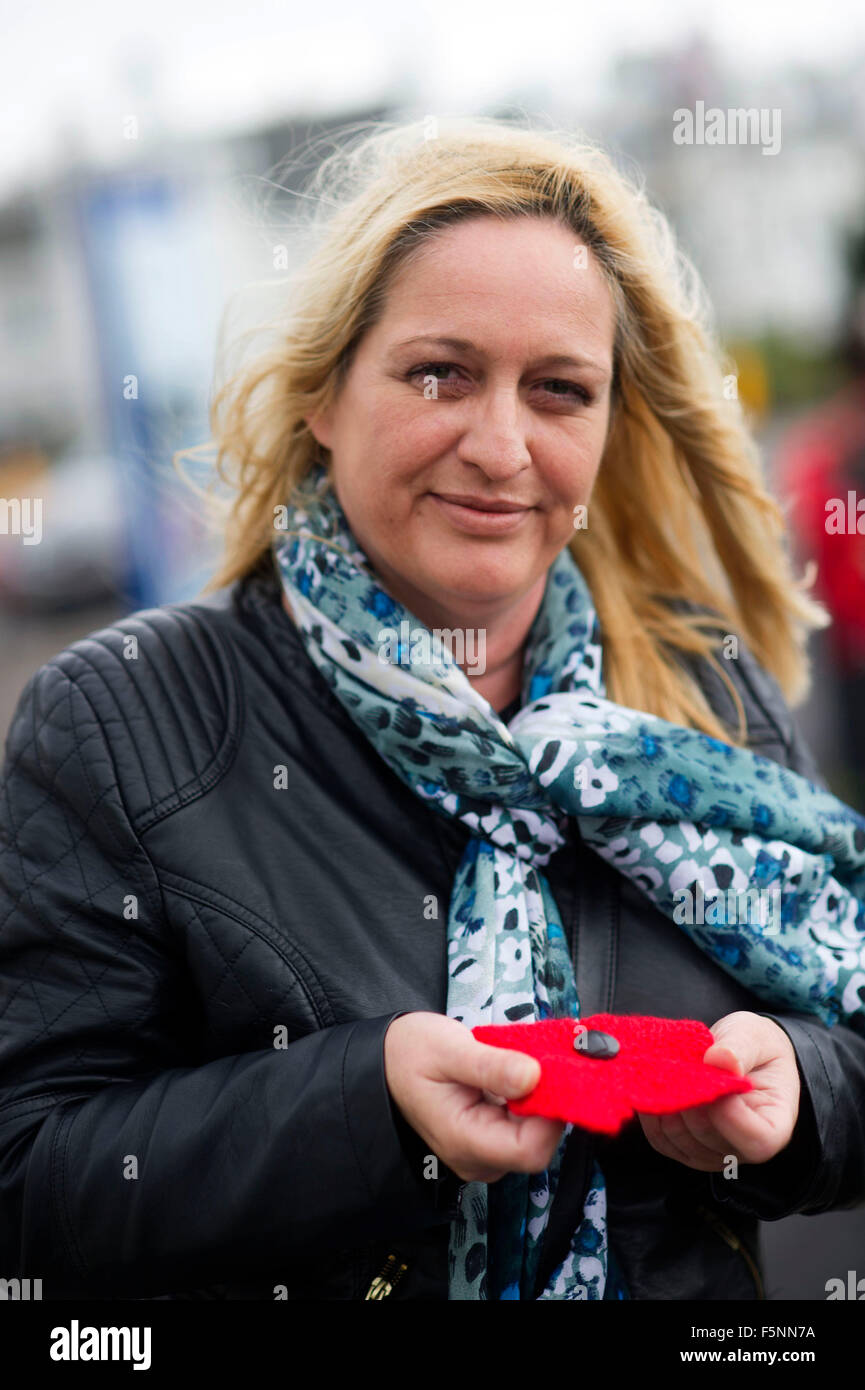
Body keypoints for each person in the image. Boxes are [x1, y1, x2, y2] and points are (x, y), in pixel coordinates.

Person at [1, 117, 864, 1302]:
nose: (501, 447)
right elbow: (30, 1180)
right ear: (322, 393)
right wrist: (367, 1109)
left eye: (559, 390)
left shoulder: (697, 686)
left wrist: (805, 1093)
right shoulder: (121, 724)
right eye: (439, 373)